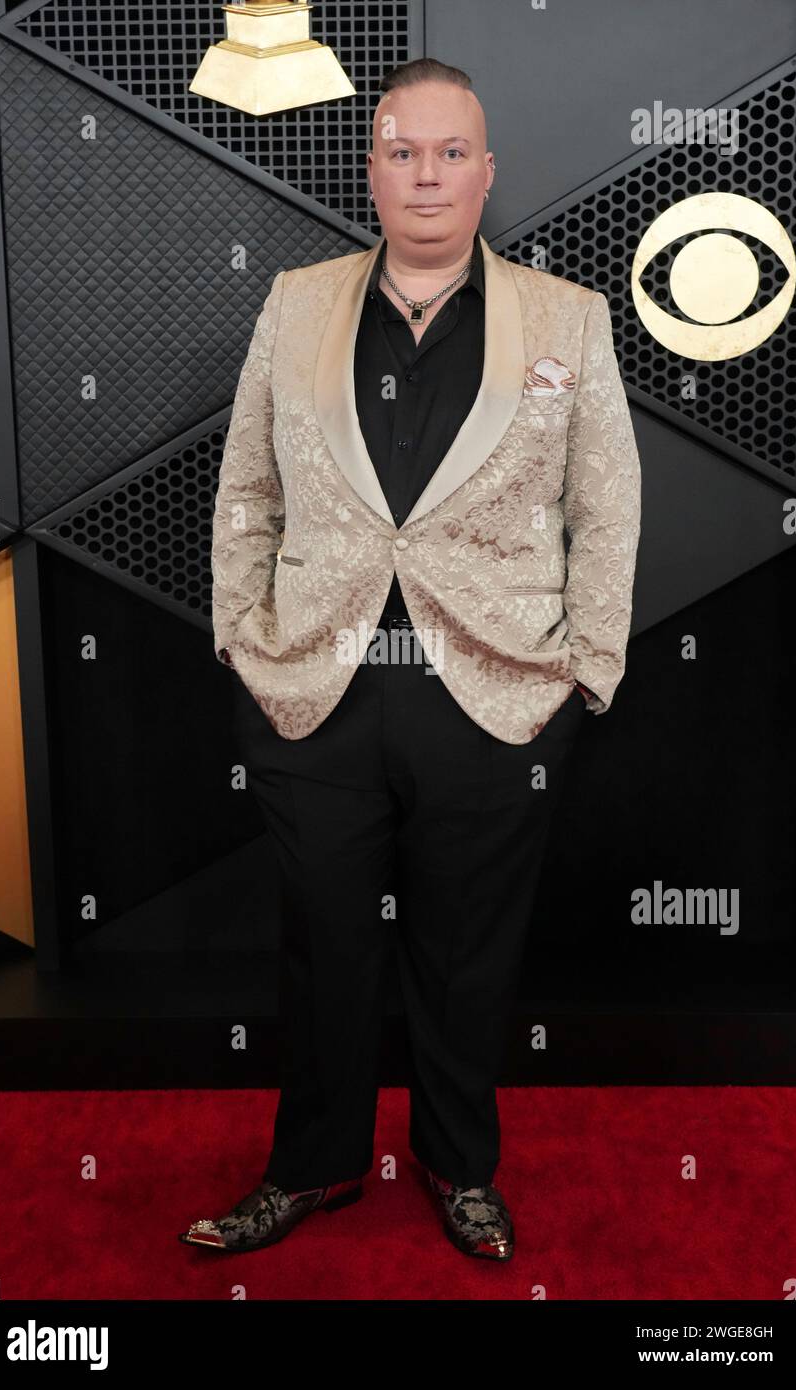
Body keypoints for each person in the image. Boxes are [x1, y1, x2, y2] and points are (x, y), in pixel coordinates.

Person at [180, 57, 641, 1261]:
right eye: (401, 150)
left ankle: (457, 1164)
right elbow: (246, 487)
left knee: (465, 951)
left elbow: (608, 506)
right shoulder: (295, 301)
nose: (425, 173)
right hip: (314, 688)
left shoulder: (568, 317)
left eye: (449, 152)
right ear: (370, 169)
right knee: (322, 944)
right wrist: (241, 639)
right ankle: (312, 1167)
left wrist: (581, 671)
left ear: (486, 173)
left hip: (494, 692)